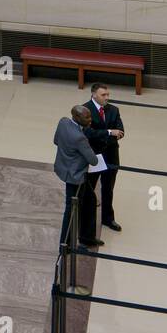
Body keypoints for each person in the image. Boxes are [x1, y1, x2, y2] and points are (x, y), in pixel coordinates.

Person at [53, 105, 102, 249]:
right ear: (77, 118)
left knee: (90, 200)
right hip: (76, 176)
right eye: (87, 117)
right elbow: (93, 160)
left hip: (66, 169)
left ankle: (87, 237)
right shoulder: (80, 138)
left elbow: (56, 141)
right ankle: (65, 245)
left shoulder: (63, 122)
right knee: (72, 210)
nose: (90, 120)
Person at [80, 82, 125, 233]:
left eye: (107, 95)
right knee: (89, 189)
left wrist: (108, 134)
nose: (106, 98)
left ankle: (108, 218)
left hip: (111, 155)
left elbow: (121, 132)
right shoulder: (85, 110)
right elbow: (87, 133)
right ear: (93, 94)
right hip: (94, 156)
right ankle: (85, 221)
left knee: (108, 188)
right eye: (103, 95)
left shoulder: (114, 110)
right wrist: (108, 133)